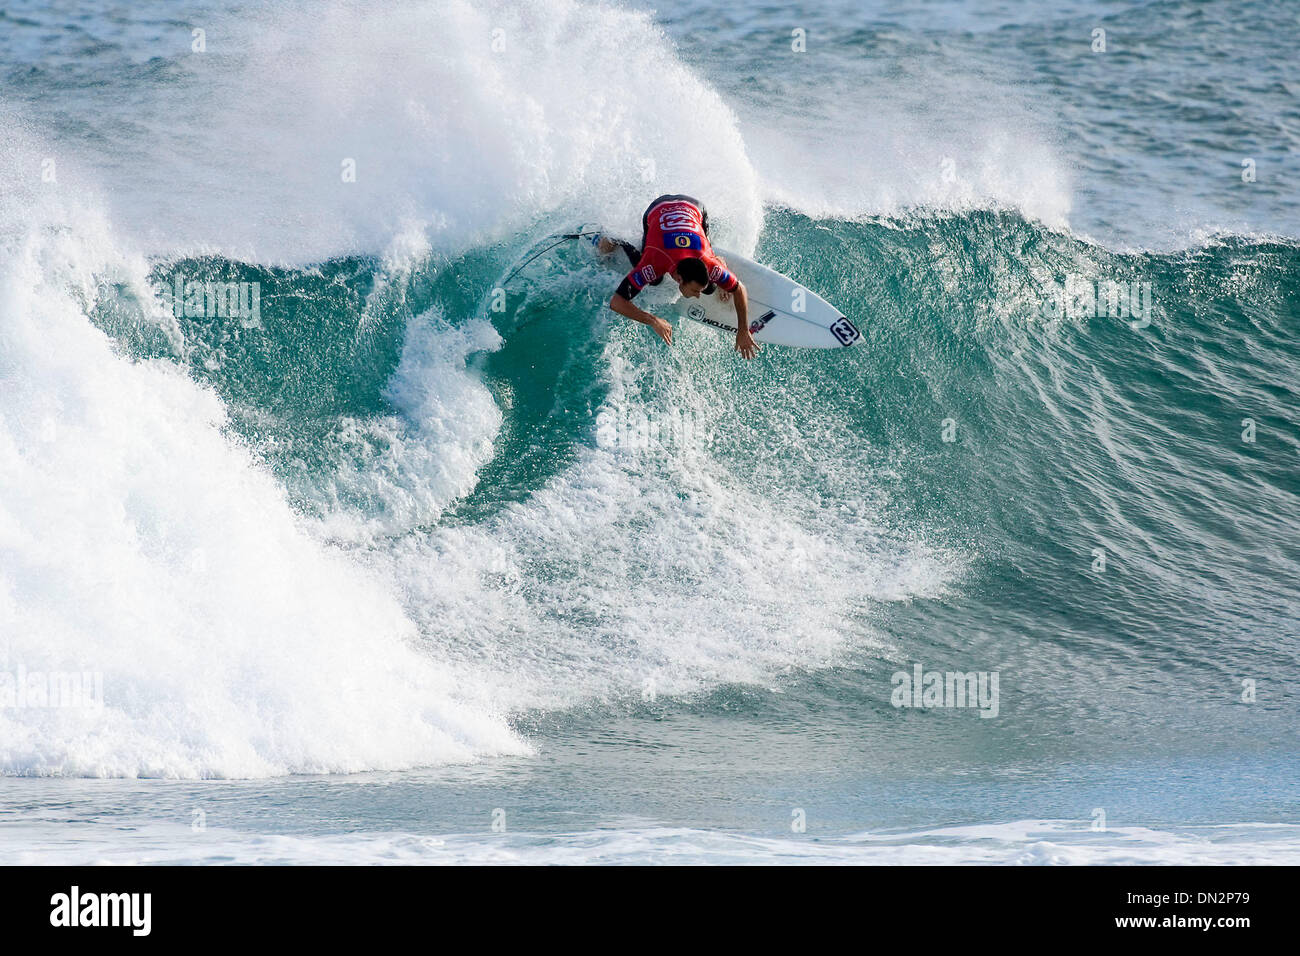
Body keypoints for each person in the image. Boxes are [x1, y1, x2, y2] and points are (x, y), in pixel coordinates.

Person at [603, 194, 757, 359]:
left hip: (695, 208)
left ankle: (721, 262)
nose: (697, 296)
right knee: (655, 281)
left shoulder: (710, 265)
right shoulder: (653, 263)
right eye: (694, 290)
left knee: (710, 288)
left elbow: (740, 288)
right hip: (657, 209)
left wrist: (743, 330)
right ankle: (619, 241)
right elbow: (617, 302)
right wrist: (653, 320)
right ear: (679, 279)